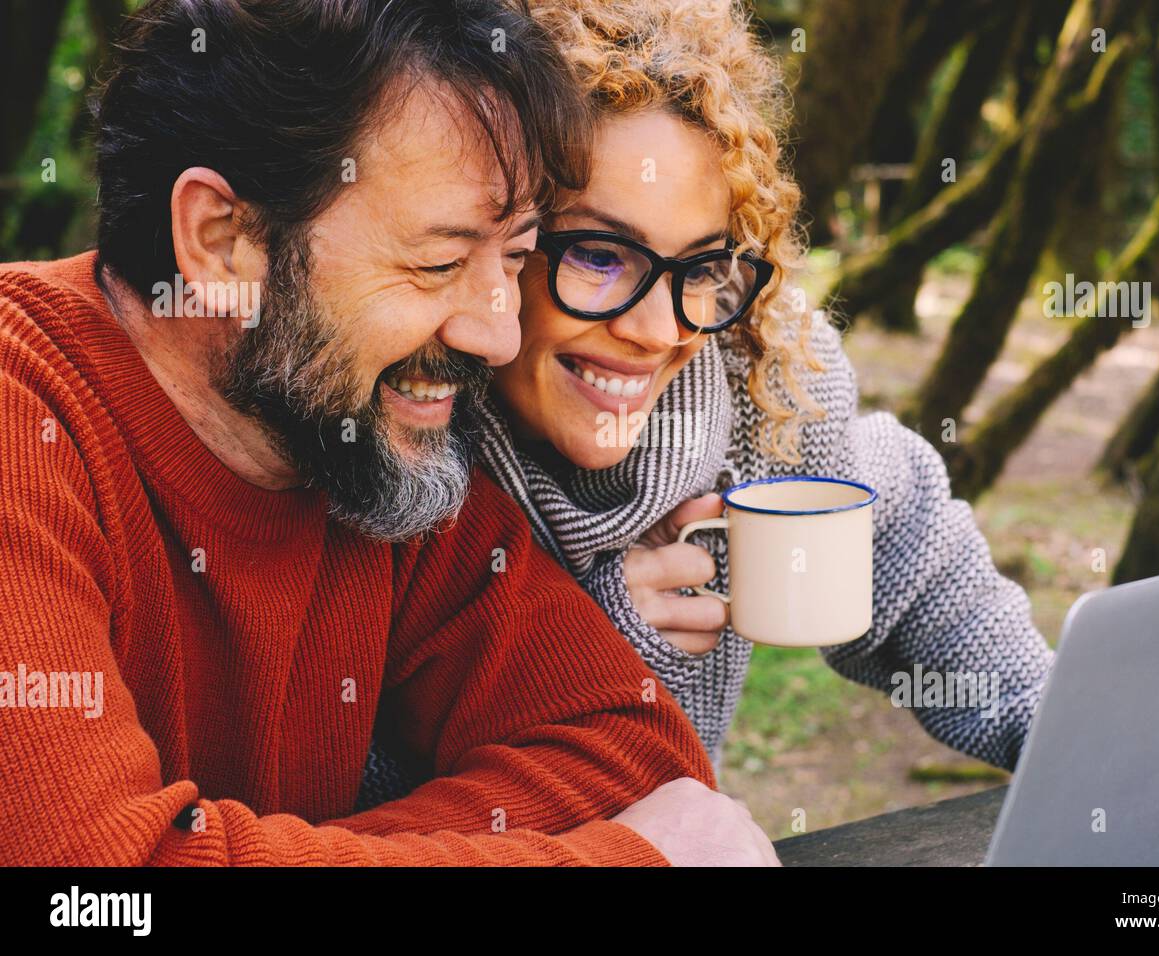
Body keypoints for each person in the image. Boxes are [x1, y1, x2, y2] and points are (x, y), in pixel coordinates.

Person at [0, 0, 778, 867]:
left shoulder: (369, 444)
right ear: (222, 242)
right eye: (439, 263)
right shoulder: (23, 417)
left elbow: (627, 745)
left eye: (515, 258)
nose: (497, 334)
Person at [360, 0, 1055, 807]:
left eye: (699, 267)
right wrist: (592, 657)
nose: (658, 331)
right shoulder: (408, 436)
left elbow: (915, 562)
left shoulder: (756, 377)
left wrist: (1071, 734)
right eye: (597, 253)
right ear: (500, 245)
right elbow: (357, 798)